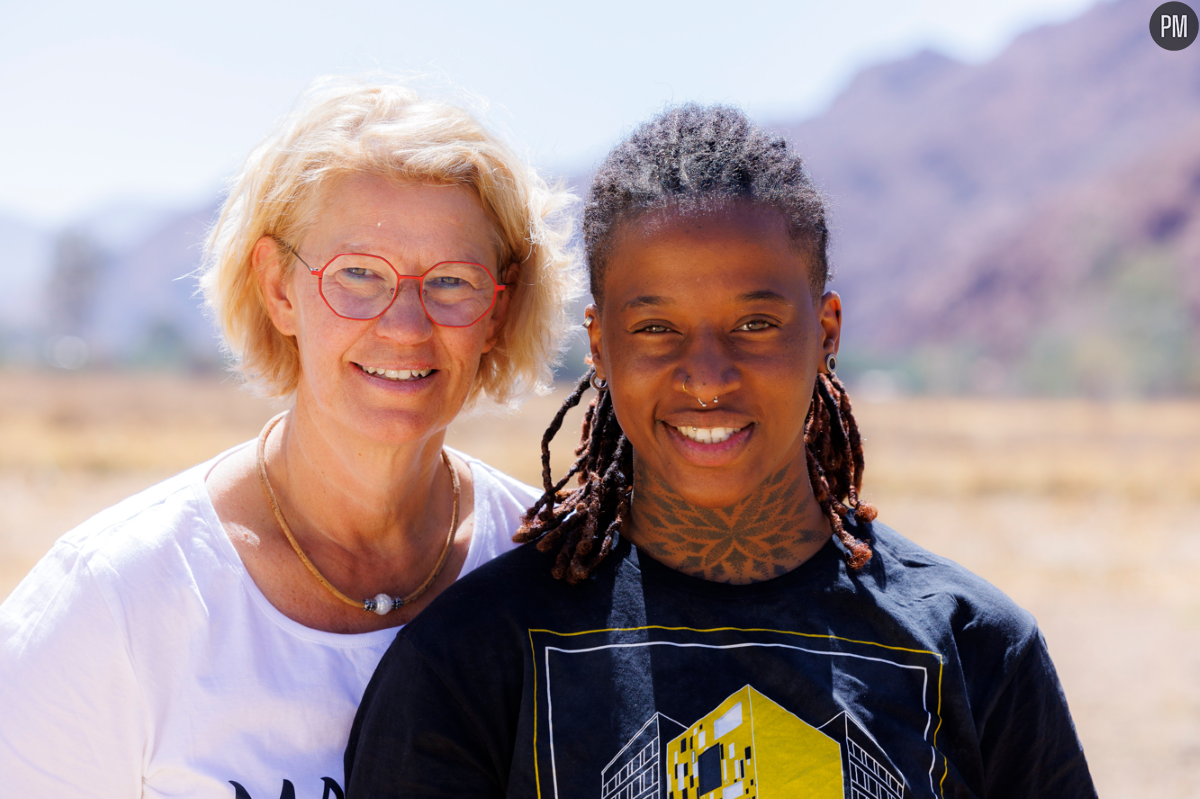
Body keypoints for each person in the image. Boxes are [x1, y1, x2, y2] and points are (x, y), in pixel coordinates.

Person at [343, 105, 1097, 798]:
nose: (707, 375)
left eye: (756, 324)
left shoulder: (973, 649)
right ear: (601, 346)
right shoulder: (474, 660)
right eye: (657, 329)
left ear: (826, 329)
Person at [0, 77, 578, 798]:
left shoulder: (556, 575)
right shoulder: (116, 601)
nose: (405, 324)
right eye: (358, 274)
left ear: (499, 308)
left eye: (452, 282)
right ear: (279, 288)